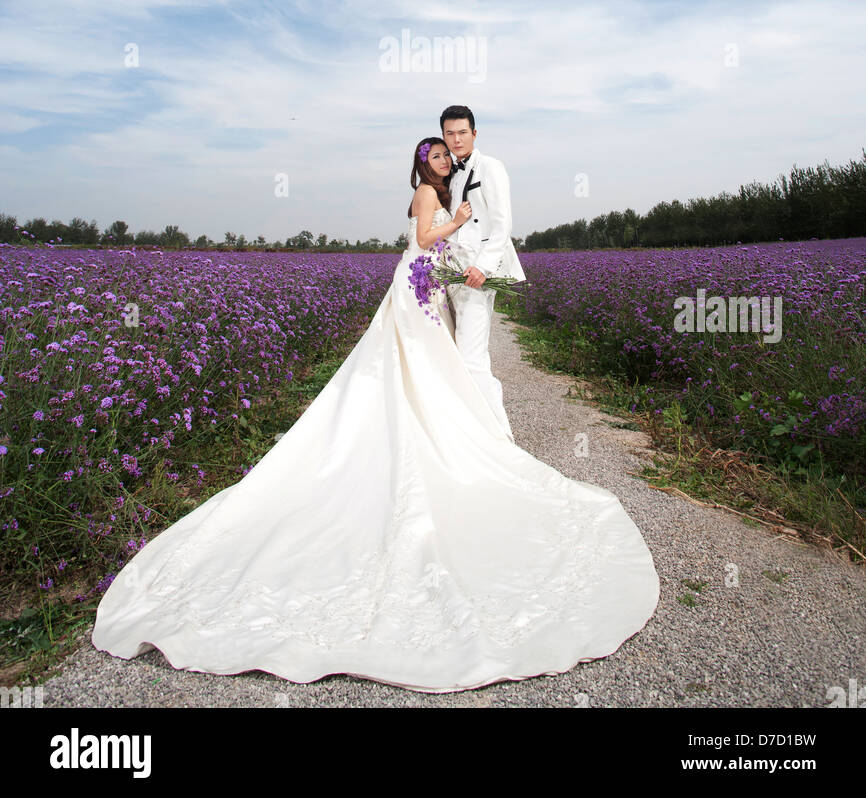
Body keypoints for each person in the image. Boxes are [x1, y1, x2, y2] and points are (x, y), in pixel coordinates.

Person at [90, 136, 659, 694]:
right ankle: (429, 429)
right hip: (416, 289)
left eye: (445, 151)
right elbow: (424, 237)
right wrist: (457, 224)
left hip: (425, 287)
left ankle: (442, 425)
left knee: (433, 365)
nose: (442, 157)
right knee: (419, 361)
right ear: (423, 165)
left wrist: (459, 247)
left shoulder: (450, 184)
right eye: (435, 154)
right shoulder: (428, 197)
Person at [440, 105, 524, 440]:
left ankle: (500, 440)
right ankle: (472, 432)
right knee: (462, 353)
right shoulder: (453, 173)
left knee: (472, 358)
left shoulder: (490, 167)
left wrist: (484, 267)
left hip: (478, 273)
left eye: (462, 132)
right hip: (455, 273)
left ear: (474, 133)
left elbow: (503, 223)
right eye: (450, 133)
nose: (456, 139)